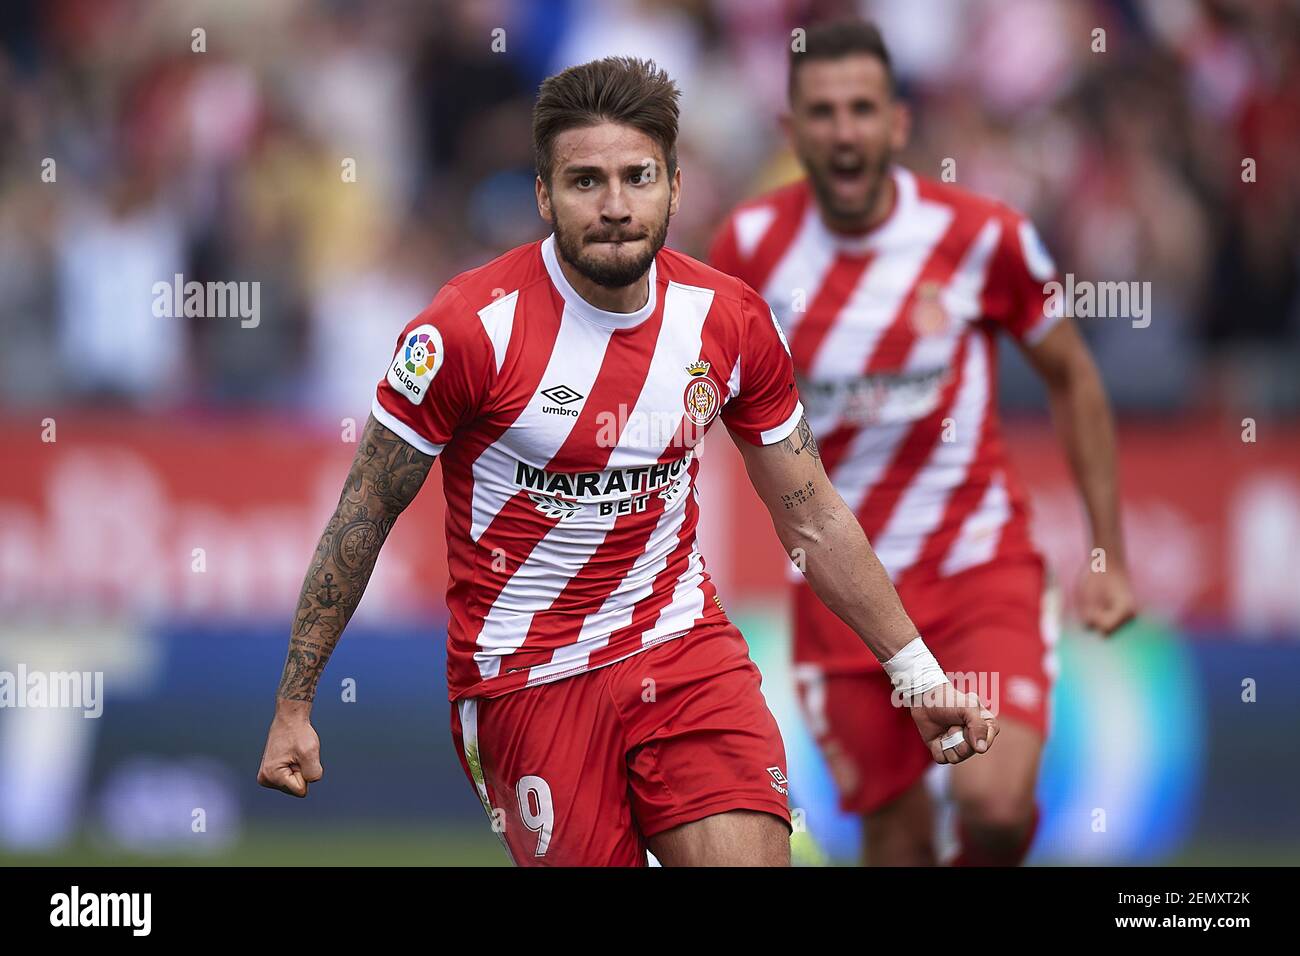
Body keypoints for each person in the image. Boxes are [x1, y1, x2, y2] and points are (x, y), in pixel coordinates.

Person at [257, 55, 996, 867]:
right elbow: (363, 514)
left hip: (681, 649)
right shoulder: (466, 332)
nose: (614, 207)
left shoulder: (730, 323)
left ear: (676, 186)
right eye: (584, 183)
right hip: (525, 681)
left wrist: (918, 675)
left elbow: (812, 515)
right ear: (543, 196)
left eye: (638, 177)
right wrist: (296, 703)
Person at [709, 20, 1135, 866]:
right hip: (846, 594)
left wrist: (1108, 557)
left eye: (863, 108)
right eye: (822, 112)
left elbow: (1074, 376)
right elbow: (704, 401)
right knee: (895, 841)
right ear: (791, 131)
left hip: (978, 571)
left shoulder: (983, 236)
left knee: (998, 804)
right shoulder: (750, 248)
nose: (844, 130)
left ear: (899, 123)